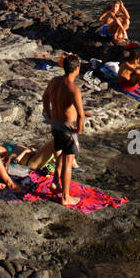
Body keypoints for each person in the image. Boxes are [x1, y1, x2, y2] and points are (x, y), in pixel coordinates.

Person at [43, 55, 85, 206]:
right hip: (68, 127)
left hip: (55, 124)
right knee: (68, 160)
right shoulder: (74, 90)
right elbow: (80, 114)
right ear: (76, 69)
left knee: (60, 154)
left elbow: (45, 97)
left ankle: (55, 182)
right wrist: (79, 129)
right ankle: (66, 197)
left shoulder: (55, 81)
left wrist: (49, 114)